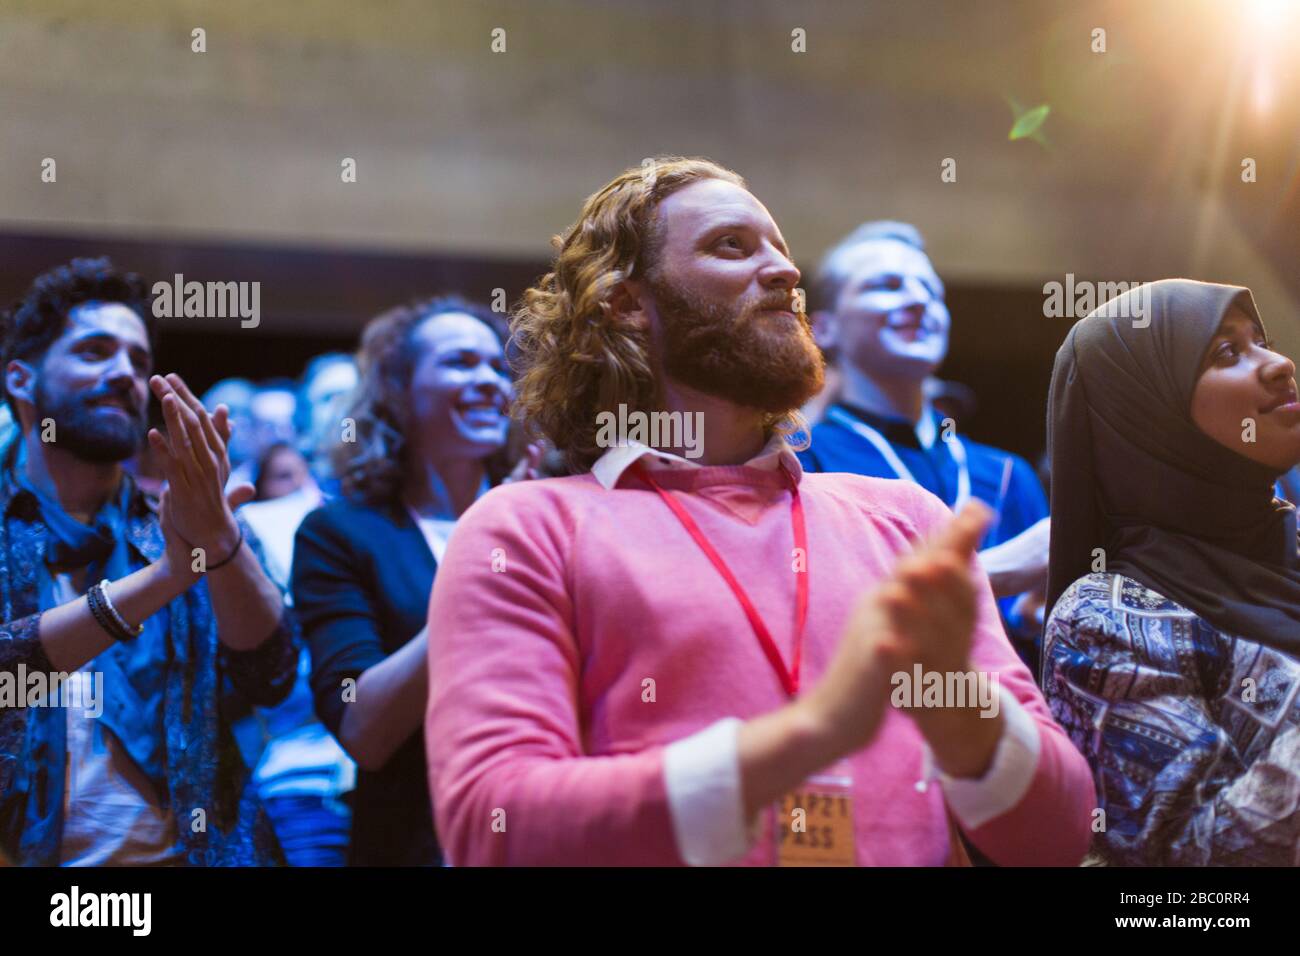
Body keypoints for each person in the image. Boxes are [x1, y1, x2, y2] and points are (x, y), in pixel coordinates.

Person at [424, 157, 1094, 866]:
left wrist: (961, 711)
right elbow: (492, 824)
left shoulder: (905, 519)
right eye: (732, 247)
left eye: (780, 248)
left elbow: (1055, 839)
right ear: (625, 302)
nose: (784, 271)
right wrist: (811, 735)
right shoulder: (525, 529)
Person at [0, 257, 297, 866]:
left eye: (139, 361)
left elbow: (270, 674)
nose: (125, 374)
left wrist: (221, 545)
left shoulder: (188, 520)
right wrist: (166, 577)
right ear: (22, 381)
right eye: (94, 352)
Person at [1043, 278, 1300, 865]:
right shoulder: (1105, 619)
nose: (1281, 364)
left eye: (1263, 341)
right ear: (1145, 415)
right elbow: (1184, 865)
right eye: (1226, 353)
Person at [291, 295, 513, 866]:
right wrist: (486, 568)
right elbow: (364, 730)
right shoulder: (341, 532)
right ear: (399, 392)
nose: (490, 382)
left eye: (497, 367)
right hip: (415, 839)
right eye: (461, 363)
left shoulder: (546, 512)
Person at [798, 221, 1050, 666]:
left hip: (1009, 721)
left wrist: (1034, 618)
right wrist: (998, 571)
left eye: (931, 292)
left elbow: (1038, 627)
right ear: (825, 329)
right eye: (887, 286)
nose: (918, 302)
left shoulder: (1008, 473)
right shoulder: (801, 462)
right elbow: (820, 613)